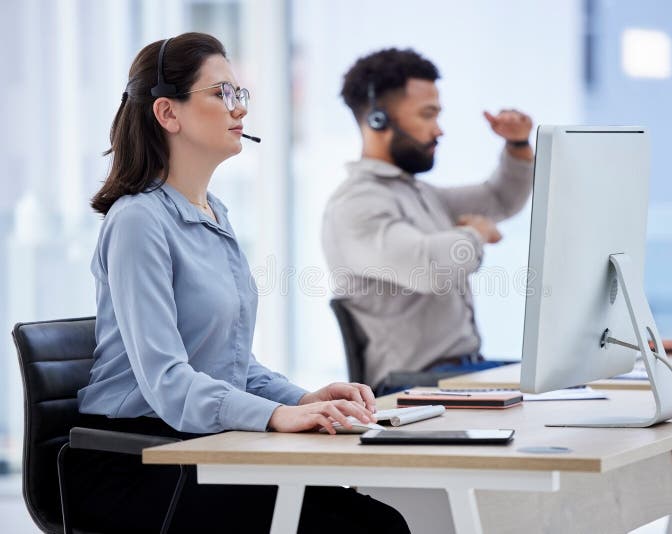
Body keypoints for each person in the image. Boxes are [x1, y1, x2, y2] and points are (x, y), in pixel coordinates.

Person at [74, 32, 409, 533]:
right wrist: (273, 416)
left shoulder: (214, 215)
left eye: (240, 94)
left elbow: (230, 364)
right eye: (222, 94)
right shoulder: (138, 221)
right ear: (168, 113)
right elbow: (168, 381)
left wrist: (301, 400)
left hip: (200, 447)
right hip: (136, 462)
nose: (239, 109)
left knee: (378, 520)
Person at [323, 48, 535, 394]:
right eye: (427, 115)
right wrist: (475, 234)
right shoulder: (357, 204)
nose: (439, 130)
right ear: (378, 119)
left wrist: (517, 145)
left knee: (560, 384)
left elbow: (499, 198)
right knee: (551, 392)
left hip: (460, 376)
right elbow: (429, 267)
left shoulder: (418, 194)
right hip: (412, 389)